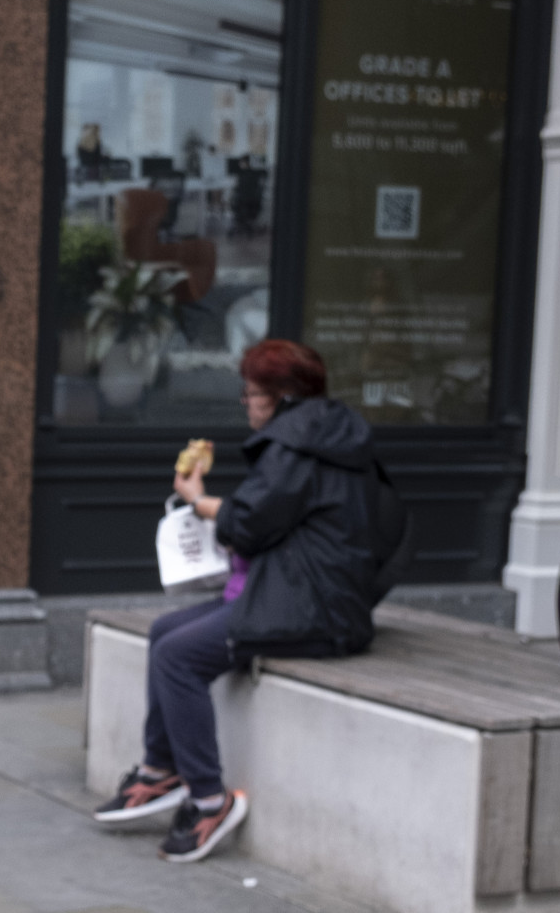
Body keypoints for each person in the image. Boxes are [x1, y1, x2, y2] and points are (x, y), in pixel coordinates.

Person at [96, 339, 384, 863]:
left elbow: (247, 523)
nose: (246, 404)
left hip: (310, 607)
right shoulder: (324, 433)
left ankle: (209, 801)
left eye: (252, 394)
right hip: (307, 595)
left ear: (280, 397)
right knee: (165, 633)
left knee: (177, 656)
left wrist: (194, 497)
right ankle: (161, 772)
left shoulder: (297, 443)